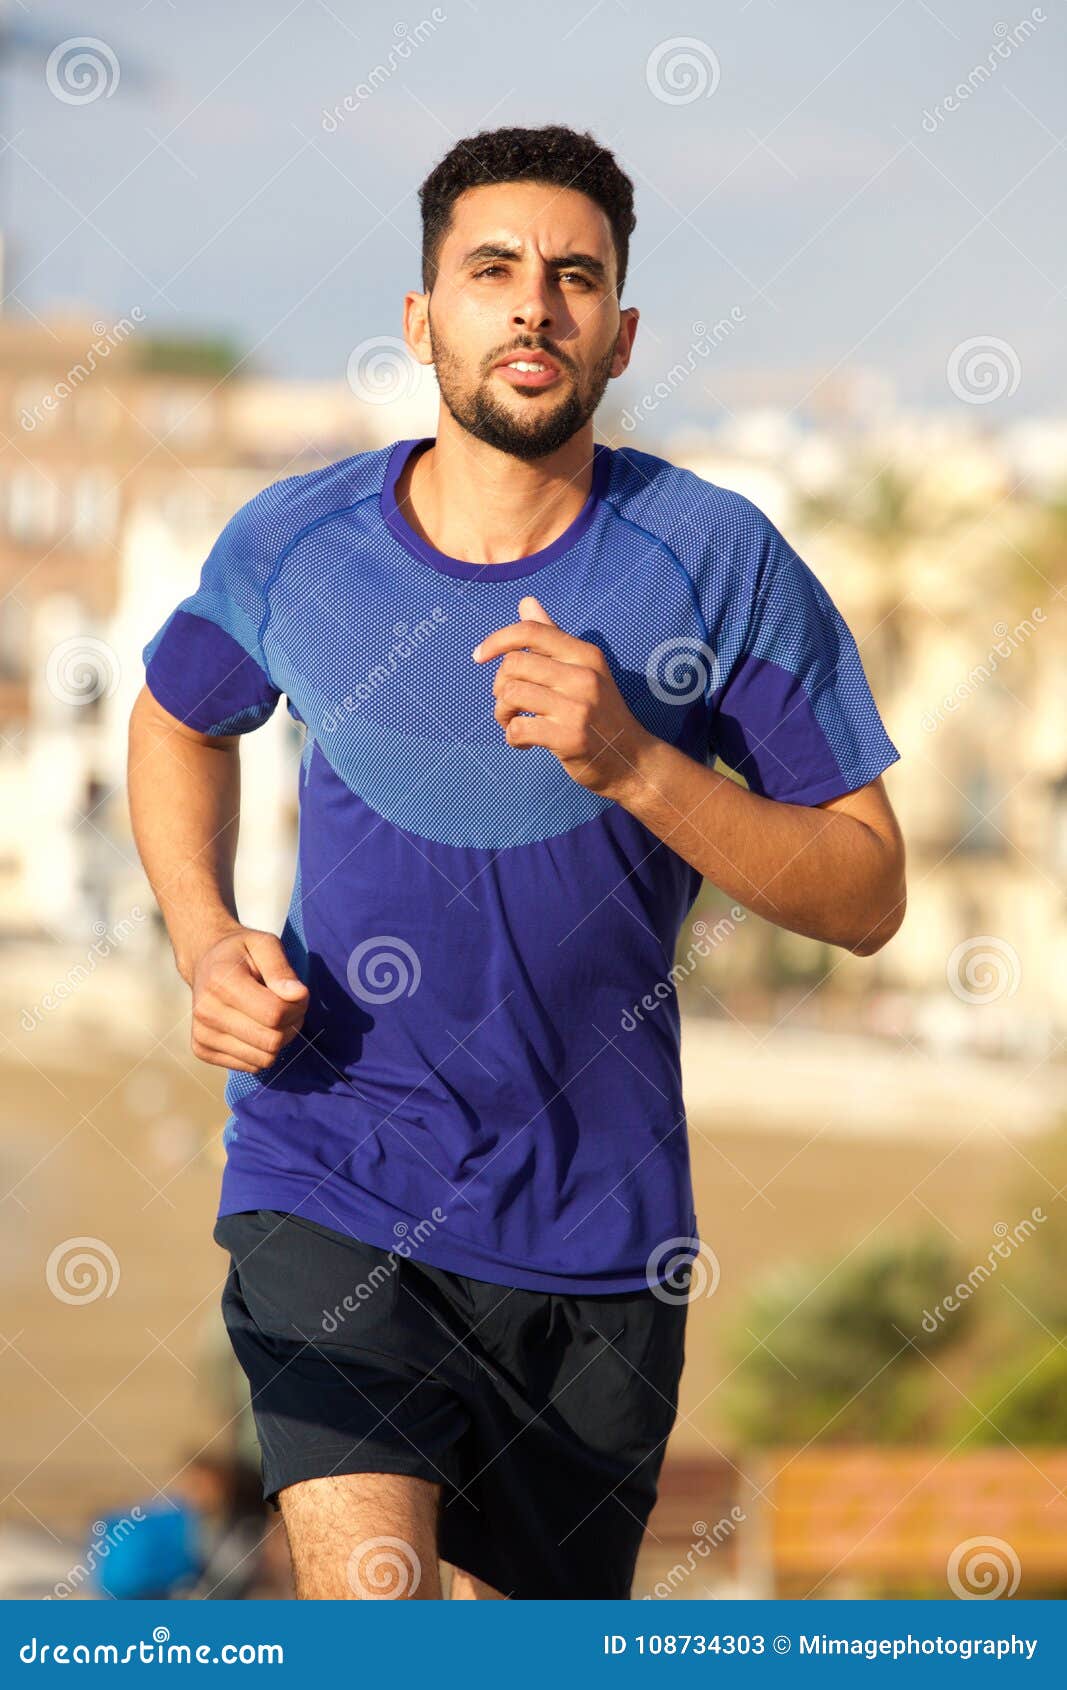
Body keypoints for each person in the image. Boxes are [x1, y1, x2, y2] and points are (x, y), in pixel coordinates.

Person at [127, 123, 906, 1601]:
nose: (533, 306)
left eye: (574, 277)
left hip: (598, 1234)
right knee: (378, 1615)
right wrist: (203, 934)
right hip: (331, 1172)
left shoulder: (716, 560)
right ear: (423, 317)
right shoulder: (299, 542)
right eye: (491, 271)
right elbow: (177, 718)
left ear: (621, 333)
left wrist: (638, 764)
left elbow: (869, 890)